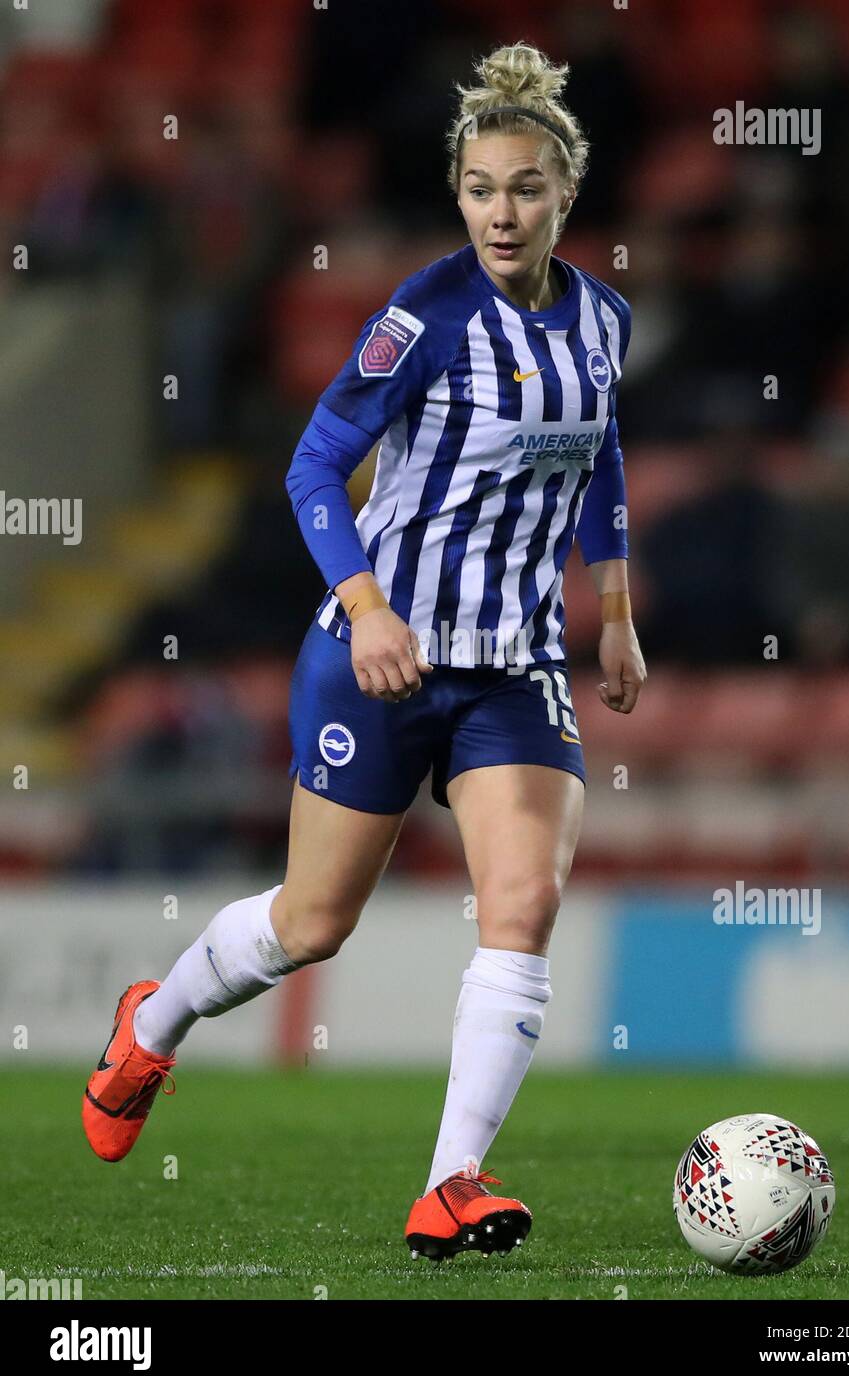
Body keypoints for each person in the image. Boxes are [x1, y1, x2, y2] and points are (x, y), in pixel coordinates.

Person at [82, 41, 647, 1264]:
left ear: (565, 194)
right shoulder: (425, 313)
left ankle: (449, 1181)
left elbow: (598, 454)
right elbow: (311, 463)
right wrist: (369, 604)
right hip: (378, 654)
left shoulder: (602, 317)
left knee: (525, 900)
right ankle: (151, 1022)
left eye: (527, 188)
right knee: (311, 922)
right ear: (458, 192)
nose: (504, 211)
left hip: (514, 663)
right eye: (483, 187)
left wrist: (613, 601)